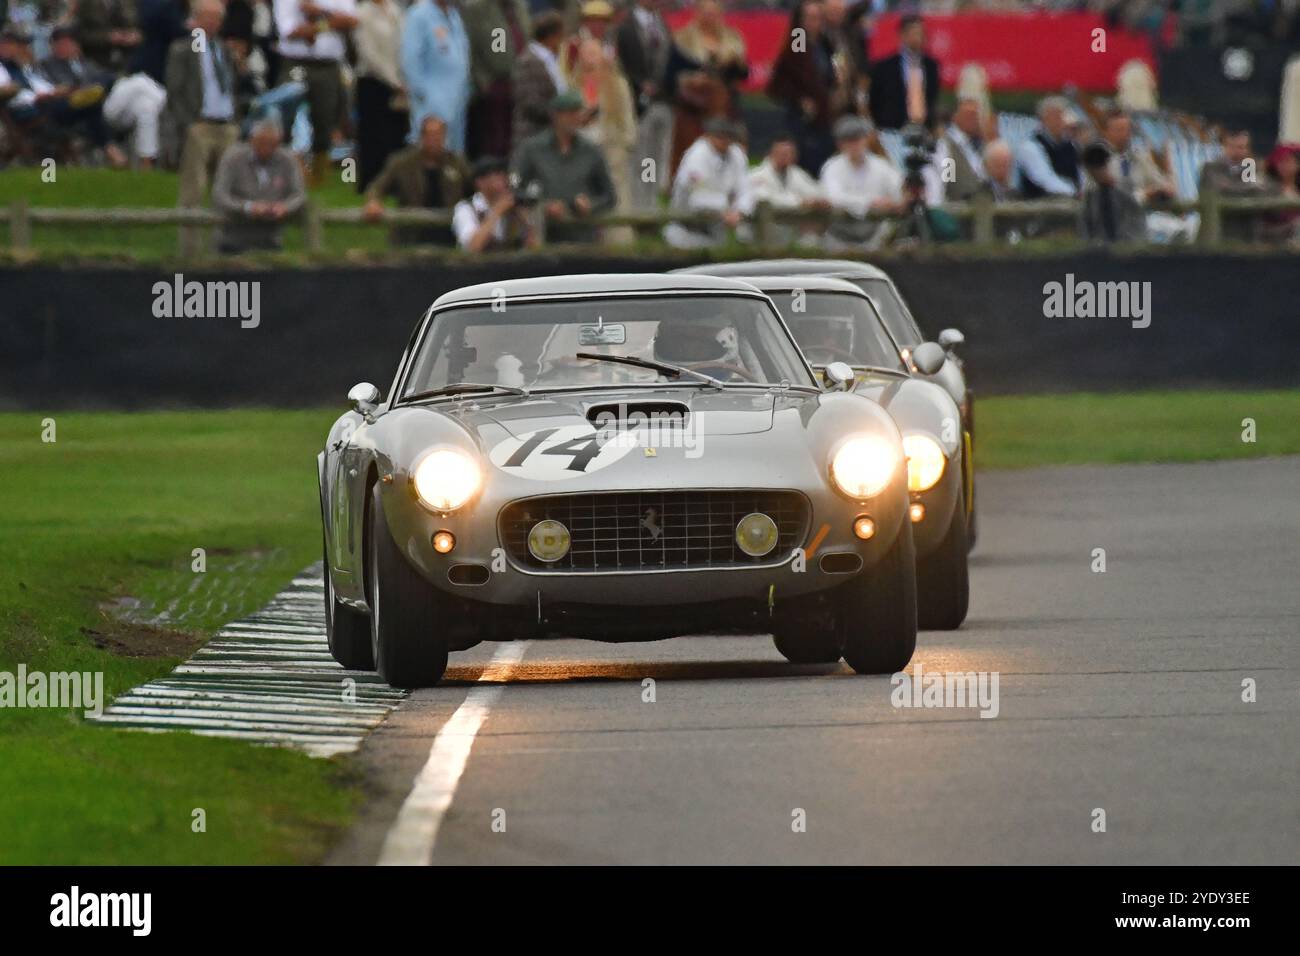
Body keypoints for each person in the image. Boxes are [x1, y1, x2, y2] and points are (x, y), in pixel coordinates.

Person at [166, 0, 239, 252]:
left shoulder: (223, 50)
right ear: (195, 19)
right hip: (200, 125)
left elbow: (231, 84)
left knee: (226, 188)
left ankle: (222, 244)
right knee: (193, 188)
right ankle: (190, 248)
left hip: (226, 123)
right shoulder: (183, 49)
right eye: (208, 17)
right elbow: (174, 91)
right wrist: (189, 124)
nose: (213, 23)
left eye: (217, 18)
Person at [512, 89, 617, 243]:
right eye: (570, 113)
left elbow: (609, 197)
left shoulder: (591, 151)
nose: (575, 118)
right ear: (556, 115)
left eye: (578, 112)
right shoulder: (532, 149)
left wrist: (591, 205)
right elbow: (515, 187)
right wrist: (543, 205)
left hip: (583, 238)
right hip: (543, 237)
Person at [274, 0, 358, 184]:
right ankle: (284, 168)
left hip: (329, 64)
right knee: (286, 114)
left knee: (326, 117)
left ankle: (319, 175)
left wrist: (320, 12)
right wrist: (330, 23)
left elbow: (352, 21)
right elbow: (290, 32)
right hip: (296, 61)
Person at [664, 0, 747, 179]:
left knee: (730, 144)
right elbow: (671, 75)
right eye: (705, 12)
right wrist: (691, 79)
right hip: (692, 109)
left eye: (713, 13)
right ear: (697, 13)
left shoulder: (732, 39)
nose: (709, 17)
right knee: (689, 150)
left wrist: (732, 61)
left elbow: (742, 74)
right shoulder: (682, 39)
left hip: (725, 106)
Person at [362, 114, 471, 245]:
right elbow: (377, 187)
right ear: (422, 137)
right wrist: (374, 201)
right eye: (430, 135)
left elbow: (473, 188)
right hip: (410, 233)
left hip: (448, 233)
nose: (434, 140)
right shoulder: (402, 163)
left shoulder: (457, 163)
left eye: (438, 135)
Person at [212, 116, 306, 252]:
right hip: (232, 240)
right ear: (252, 140)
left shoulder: (288, 161)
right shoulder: (233, 158)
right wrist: (248, 207)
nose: (267, 149)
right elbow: (220, 195)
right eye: (262, 143)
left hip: (271, 240)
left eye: (272, 145)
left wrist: (285, 207)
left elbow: (299, 195)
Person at [766, 0, 838, 176]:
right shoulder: (799, 38)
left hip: (823, 115)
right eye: (811, 18)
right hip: (802, 118)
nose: (816, 23)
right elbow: (798, 70)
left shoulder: (824, 42)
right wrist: (800, 98)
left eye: (819, 18)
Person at [570, 36, 636, 226]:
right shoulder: (573, 85)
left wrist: (625, 146)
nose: (588, 58)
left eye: (593, 53)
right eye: (585, 54)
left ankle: (620, 241)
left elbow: (628, 121)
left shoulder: (618, 84)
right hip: (582, 150)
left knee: (617, 196)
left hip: (612, 150)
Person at [663, 116, 753, 249]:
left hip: (717, 229)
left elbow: (745, 188)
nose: (725, 141)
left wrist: (740, 211)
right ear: (708, 136)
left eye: (728, 137)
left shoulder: (736, 154)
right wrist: (725, 211)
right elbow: (697, 196)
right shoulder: (696, 155)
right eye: (720, 137)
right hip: (687, 230)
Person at [615, 0, 672, 208]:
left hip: (662, 103)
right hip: (637, 106)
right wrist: (640, 83)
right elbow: (620, 65)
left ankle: (651, 205)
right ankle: (639, 208)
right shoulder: (624, 27)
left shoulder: (662, 24)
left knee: (656, 159)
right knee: (642, 159)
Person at [819, 114, 901, 248]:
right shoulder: (832, 167)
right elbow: (834, 197)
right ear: (840, 144)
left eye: (857, 139)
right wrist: (870, 203)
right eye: (849, 141)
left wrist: (896, 202)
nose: (854, 145)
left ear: (866, 140)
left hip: (874, 238)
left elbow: (898, 191)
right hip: (839, 238)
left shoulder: (881, 166)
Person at [463, 0, 530, 160]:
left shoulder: (519, 6)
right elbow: (472, 47)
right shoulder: (479, 9)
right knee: (495, 140)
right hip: (495, 85)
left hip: (521, 82)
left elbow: (528, 37)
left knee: (517, 136)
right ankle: (494, 173)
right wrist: (483, 81)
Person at [353, 0, 407, 191]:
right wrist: (393, 80)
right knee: (373, 135)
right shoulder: (362, 13)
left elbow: (403, 45)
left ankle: (393, 182)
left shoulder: (395, 10)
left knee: (395, 133)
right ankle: (370, 182)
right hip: (372, 82)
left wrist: (402, 78)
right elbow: (368, 53)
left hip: (398, 83)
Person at [748, 134, 828, 245]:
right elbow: (765, 199)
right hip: (762, 236)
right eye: (781, 153)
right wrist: (800, 202)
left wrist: (818, 201)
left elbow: (815, 192)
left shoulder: (797, 174)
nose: (785, 156)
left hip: (792, 236)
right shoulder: (757, 175)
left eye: (789, 153)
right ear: (772, 153)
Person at [452, 154, 539, 251]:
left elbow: (533, 247)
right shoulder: (465, 208)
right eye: (496, 175)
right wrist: (497, 211)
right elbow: (473, 247)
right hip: (478, 265)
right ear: (480, 182)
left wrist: (525, 222)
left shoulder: (512, 208)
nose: (503, 180)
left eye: (503, 174)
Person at [867, 13, 938, 131]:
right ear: (902, 35)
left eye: (921, 33)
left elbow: (932, 97)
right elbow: (874, 100)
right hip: (893, 128)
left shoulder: (931, 66)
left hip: (923, 128)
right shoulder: (884, 67)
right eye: (913, 33)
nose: (917, 38)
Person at [512, 11, 566, 150]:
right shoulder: (528, 61)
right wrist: (561, 116)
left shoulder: (551, 60)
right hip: (532, 136)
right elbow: (531, 103)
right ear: (552, 36)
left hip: (550, 137)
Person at [1078, 141, 1144, 244]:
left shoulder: (1126, 195)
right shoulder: (1090, 199)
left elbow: (1136, 230)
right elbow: (1086, 233)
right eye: (1095, 165)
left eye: (1103, 163)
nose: (1100, 169)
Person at [1017, 95, 1081, 199]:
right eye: (1056, 117)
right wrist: (1073, 192)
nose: (1061, 121)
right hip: (1040, 208)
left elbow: (1080, 174)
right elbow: (1044, 179)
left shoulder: (1071, 146)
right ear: (1043, 120)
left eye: (1062, 116)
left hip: (1071, 205)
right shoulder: (1030, 147)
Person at [933, 95, 988, 202]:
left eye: (976, 115)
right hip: (958, 210)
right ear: (955, 117)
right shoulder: (946, 147)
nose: (975, 120)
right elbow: (947, 182)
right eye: (970, 115)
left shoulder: (979, 147)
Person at [75, 0, 142, 73]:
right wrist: (107, 37)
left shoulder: (125, 3)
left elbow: (135, 25)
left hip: (125, 61)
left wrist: (133, 35)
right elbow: (80, 35)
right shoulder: (87, 4)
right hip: (95, 61)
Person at [1263, 142, 1300, 243]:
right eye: (1280, 161)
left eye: (1288, 161)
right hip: (1278, 239)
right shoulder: (1268, 189)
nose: (1283, 166)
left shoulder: (1297, 189)